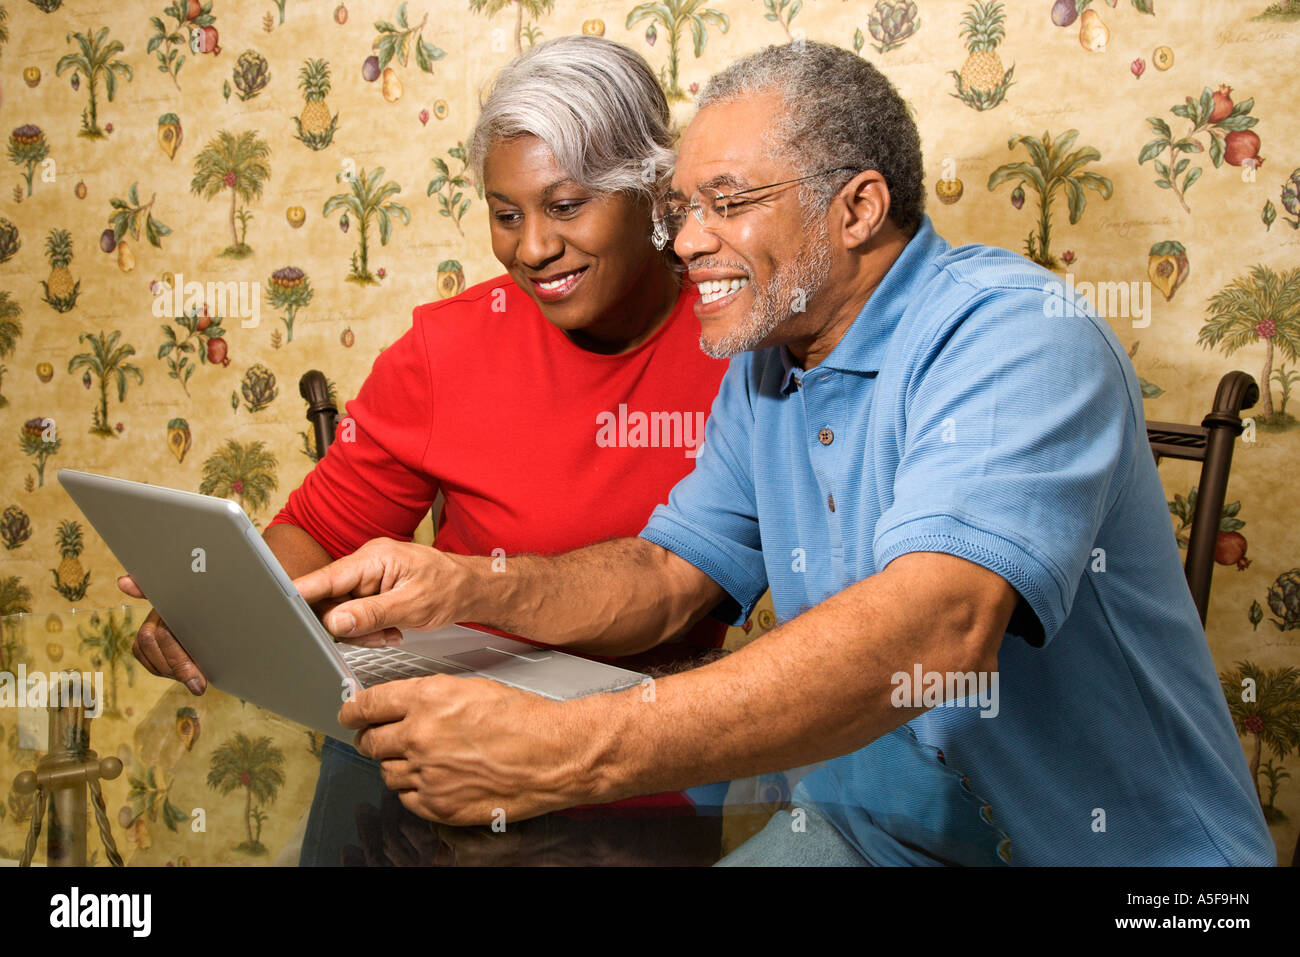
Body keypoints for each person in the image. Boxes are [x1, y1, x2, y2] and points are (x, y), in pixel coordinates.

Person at [288, 41, 1275, 866]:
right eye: (683, 207)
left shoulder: (1015, 332)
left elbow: (939, 624)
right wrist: (464, 585)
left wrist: (557, 751)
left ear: (855, 209)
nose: (685, 243)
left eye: (727, 202)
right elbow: (668, 576)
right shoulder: (764, 372)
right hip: (867, 839)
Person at [120, 35, 731, 865]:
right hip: (428, 743)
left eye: (565, 206)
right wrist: (216, 605)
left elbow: (672, 588)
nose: (532, 249)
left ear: (654, 192)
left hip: (636, 762)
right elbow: (320, 531)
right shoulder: (448, 349)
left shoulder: (740, 344)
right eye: (505, 214)